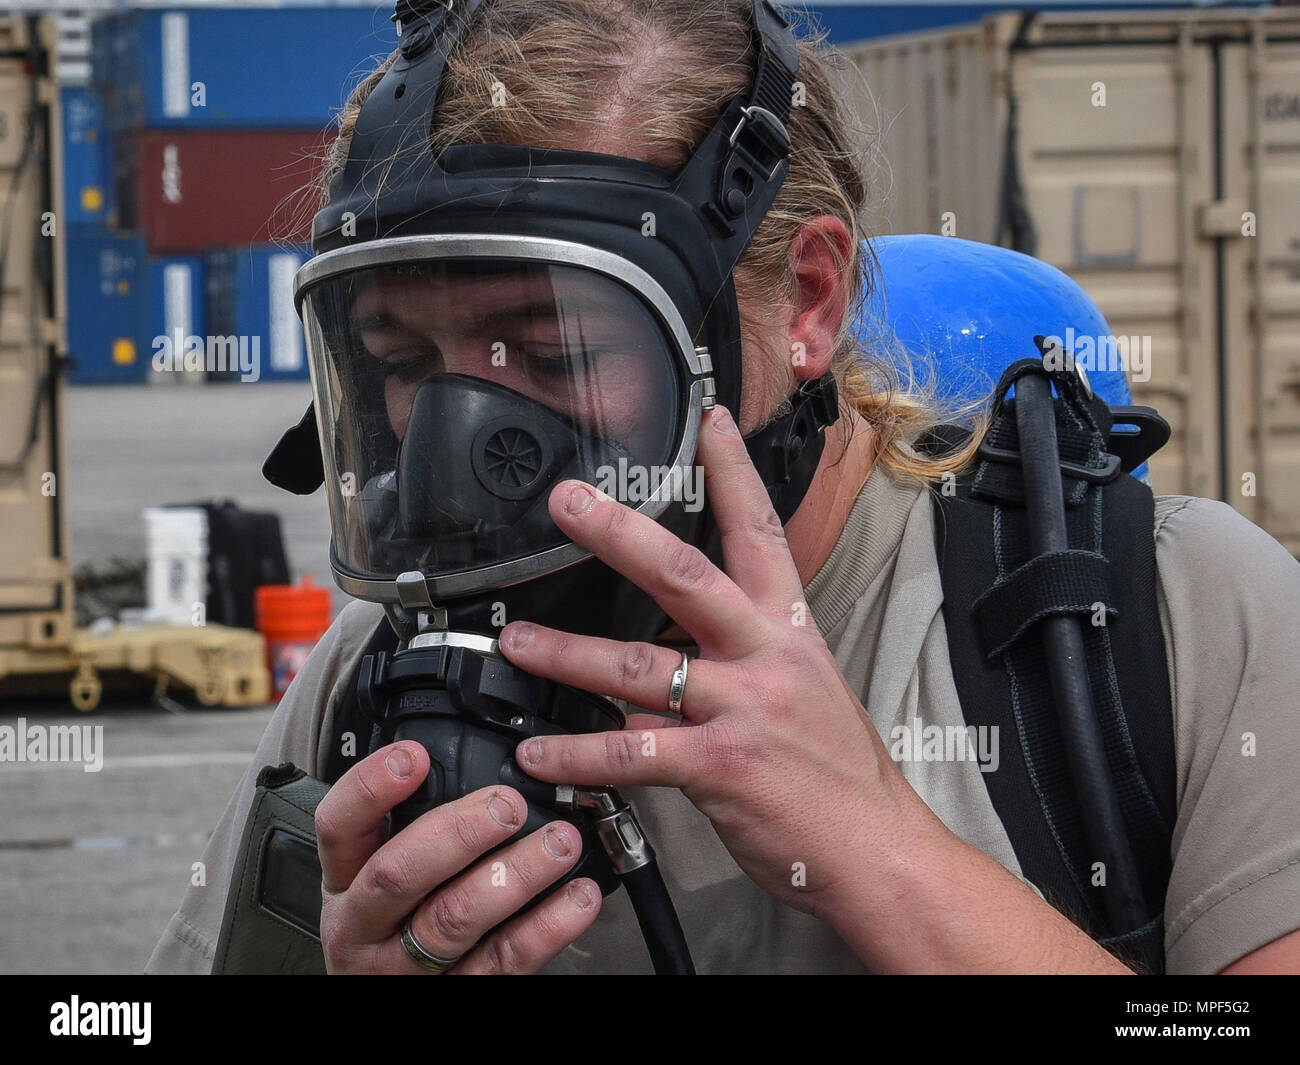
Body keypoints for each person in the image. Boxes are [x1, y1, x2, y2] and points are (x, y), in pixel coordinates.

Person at [146, 0, 1300, 975]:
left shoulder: (1161, 619)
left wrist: (882, 851)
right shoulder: (374, 678)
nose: (458, 444)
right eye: (401, 365)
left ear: (806, 301)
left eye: (550, 351)